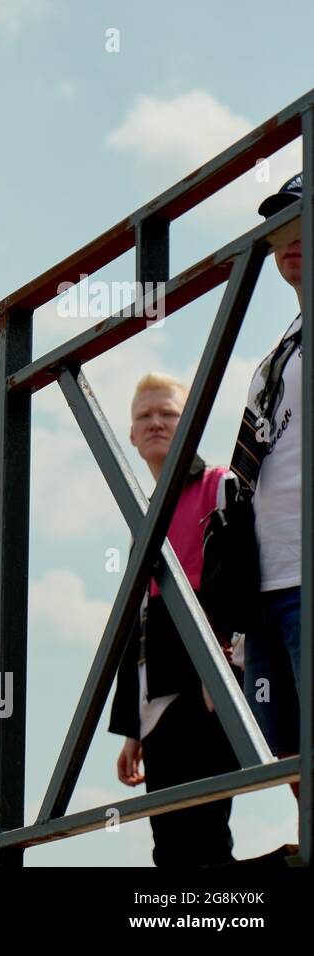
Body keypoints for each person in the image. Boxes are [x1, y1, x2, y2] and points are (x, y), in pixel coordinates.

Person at [108, 374, 238, 866]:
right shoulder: (143, 513)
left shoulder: (218, 486)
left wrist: (223, 666)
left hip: (204, 691)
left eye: (168, 413)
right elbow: (137, 619)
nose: (156, 422)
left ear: (191, 423)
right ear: (132, 434)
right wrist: (132, 727)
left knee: (204, 837)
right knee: (169, 848)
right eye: (145, 416)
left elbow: (240, 581)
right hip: (158, 701)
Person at [241, 172, 306, 782]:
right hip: (265, 585)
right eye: (281, 224)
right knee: (284, 752)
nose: (292, 236)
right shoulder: (275, 353)